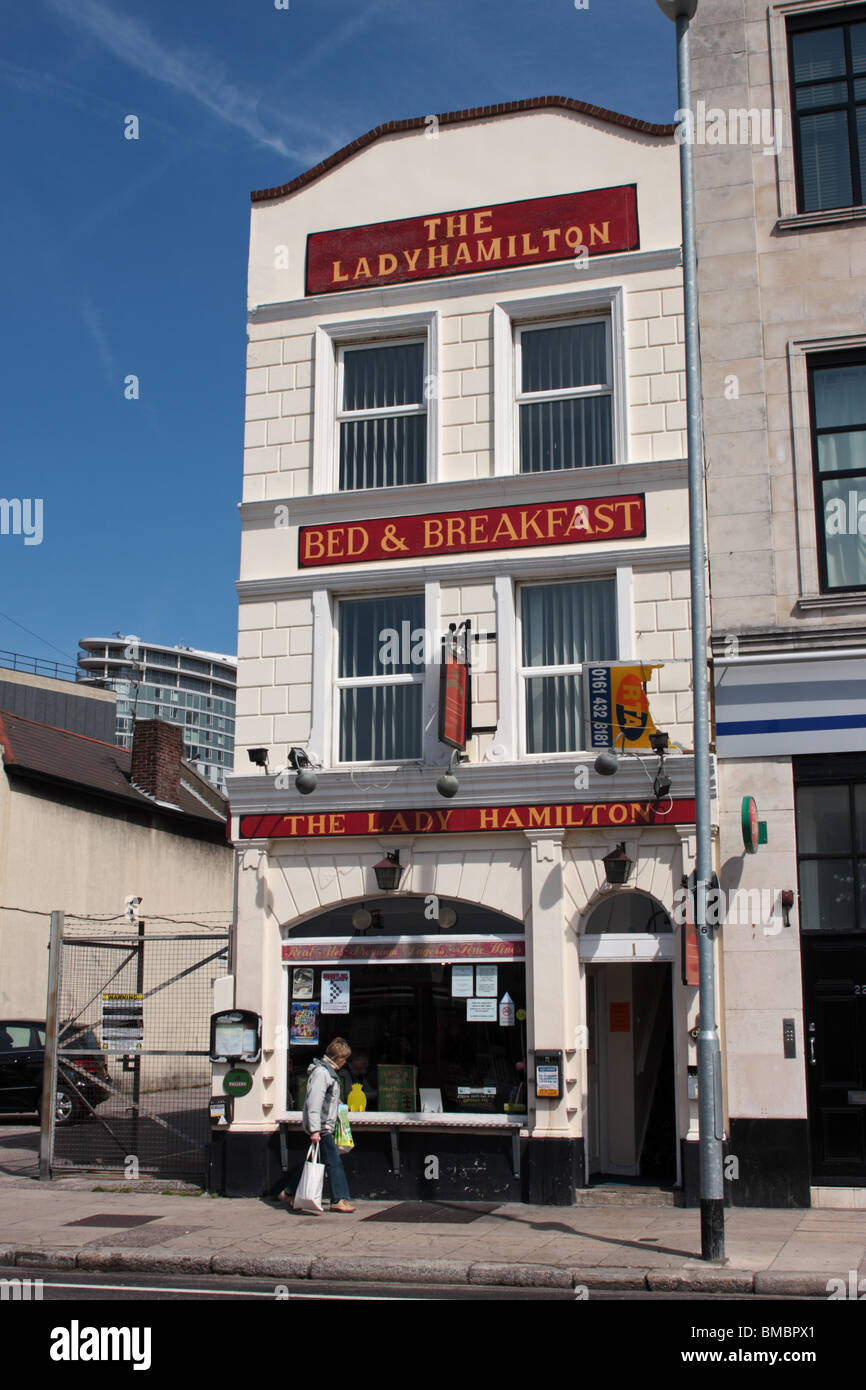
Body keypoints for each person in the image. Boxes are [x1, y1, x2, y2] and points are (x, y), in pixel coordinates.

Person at [280, 1037, 355, 1214]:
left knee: (313, 1161)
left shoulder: (329, 1073)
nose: (345, 1063)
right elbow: (314, 1103)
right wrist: (315, 1130)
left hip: (323, 1125)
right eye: (344, 1059)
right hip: (322, 1127)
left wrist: (339, 1104)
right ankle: (339, 1199)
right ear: (338, 1058)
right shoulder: (322, 1074)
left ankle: (289, 1191)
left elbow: (327, 1099)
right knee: (334, 1162)